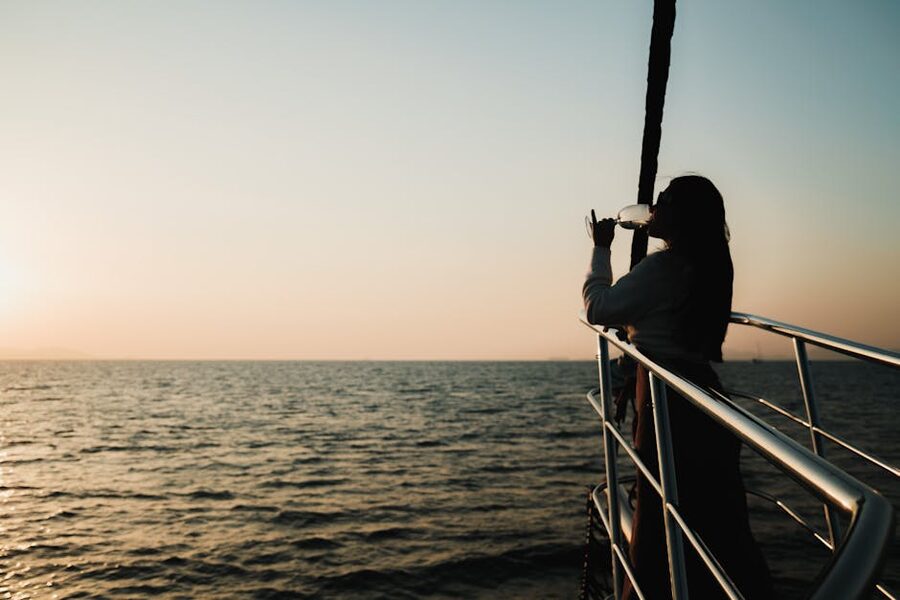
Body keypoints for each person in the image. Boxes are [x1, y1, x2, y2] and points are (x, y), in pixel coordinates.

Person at [582, 175, 774, 600]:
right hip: (703, 395)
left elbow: (599, 308)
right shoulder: (707, 266)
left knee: (658, 514)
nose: (654, 206)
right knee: (715, 520)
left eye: (664, 200)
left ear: (682, 216)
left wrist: (600, 249)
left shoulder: (664, 268)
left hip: (664, 403)